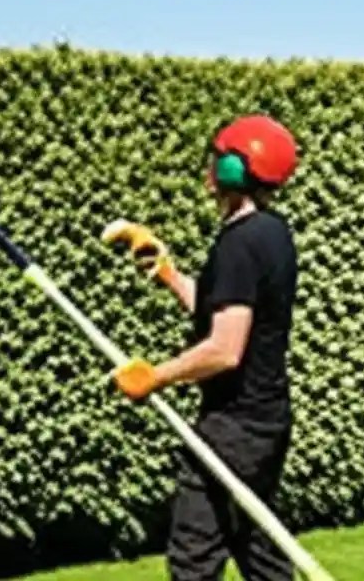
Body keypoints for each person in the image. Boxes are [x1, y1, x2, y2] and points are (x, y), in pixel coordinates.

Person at [103, 114, 302, 581]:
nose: (210, 169)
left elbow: (224, 349)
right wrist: (169, 274)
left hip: (233, 427)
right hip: (266, 420)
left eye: (218, 159)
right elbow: (227, 311)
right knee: (258, 547)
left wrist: (154, 377)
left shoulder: (239, 243)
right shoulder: (273, 233)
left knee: (194, 557)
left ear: (236, 170)